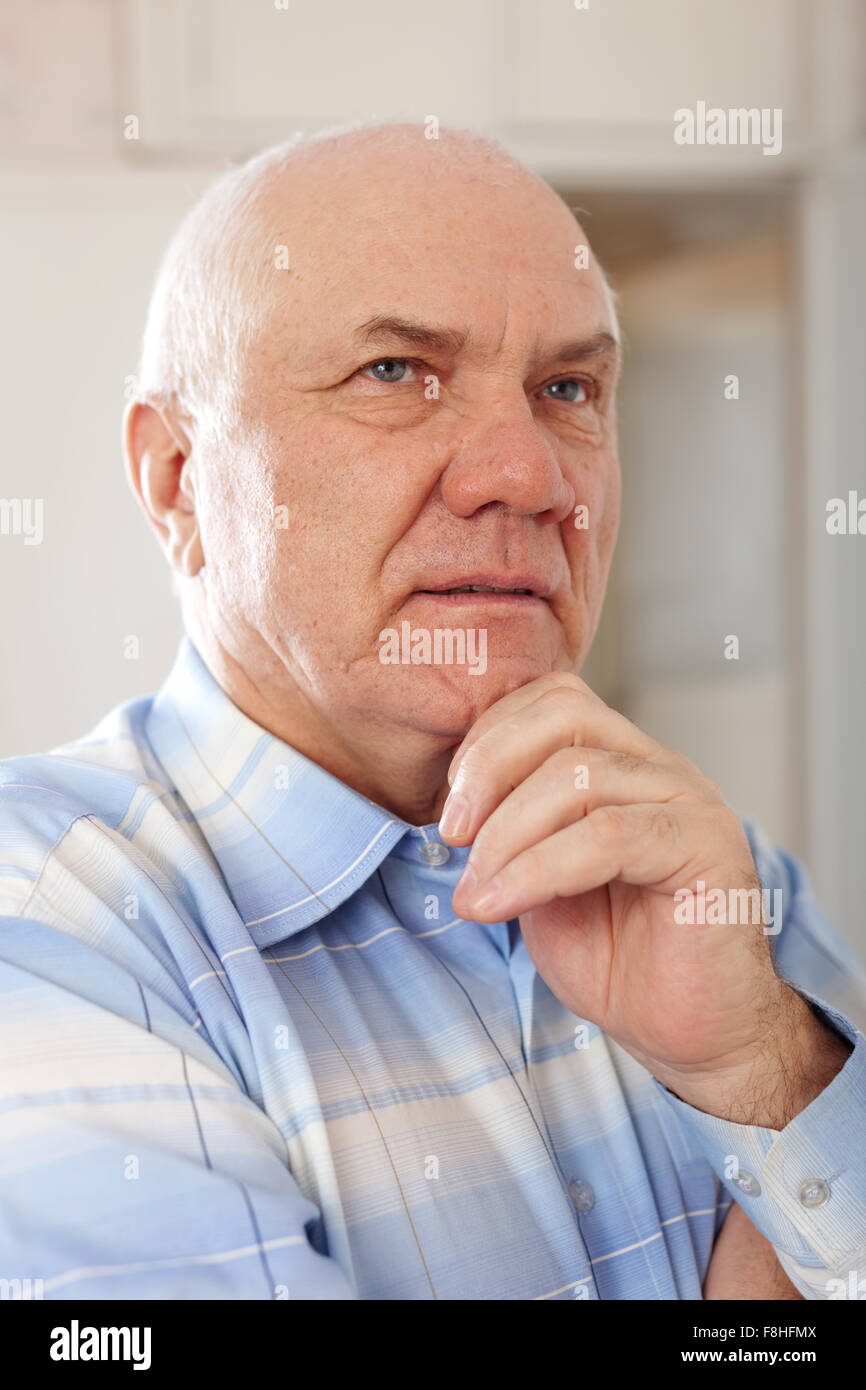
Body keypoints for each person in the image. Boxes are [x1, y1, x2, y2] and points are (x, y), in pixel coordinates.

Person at [1, 123, 864, 1301]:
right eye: (394, 374)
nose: (526, 475)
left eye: (566, 389)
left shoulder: (714, 878)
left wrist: (761, 1069)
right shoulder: (45, 930)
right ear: (177, 479)